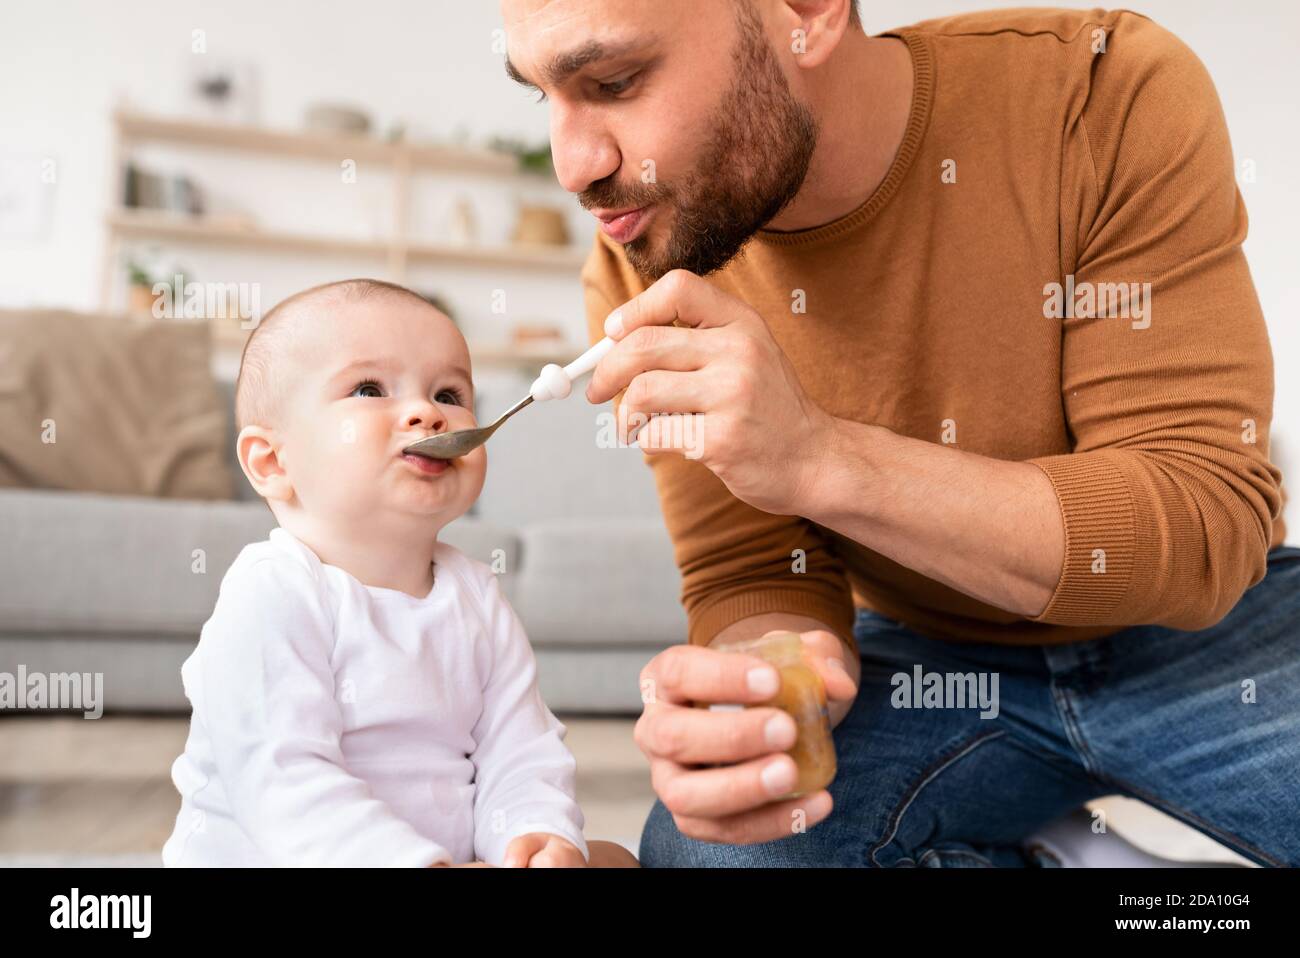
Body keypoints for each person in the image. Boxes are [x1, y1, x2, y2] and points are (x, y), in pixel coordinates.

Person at [501, 0, 1298, 865]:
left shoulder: (1100, 90)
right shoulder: (644, 259)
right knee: (719, 853)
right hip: (925, 654)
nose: (574, 165)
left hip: (1208, 639)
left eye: (615, 81)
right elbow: (755, 569)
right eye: (541, 95)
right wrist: (769, 695)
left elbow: (1203, 522)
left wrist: (818, 457)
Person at [162, 278, 636, 867]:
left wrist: (534, 836)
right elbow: (283, 782)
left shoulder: (476, 598)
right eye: (369, 388)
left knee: (612, 859)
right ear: (273, 462)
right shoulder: (272, 592)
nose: (427, 414)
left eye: (448, 392)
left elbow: (519, 751)